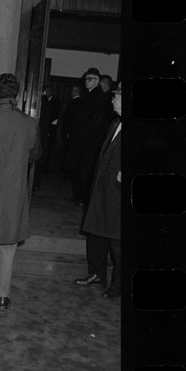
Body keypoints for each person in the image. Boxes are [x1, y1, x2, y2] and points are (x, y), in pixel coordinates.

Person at [0, 74, 42, 311]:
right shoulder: (29, 123)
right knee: (7, 249)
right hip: (14, 191)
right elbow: (35, 154)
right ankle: (2, 297)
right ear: (18, 96)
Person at [74, 82, 122, 297]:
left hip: (117, 194)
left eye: (116, 96)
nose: (112, 100)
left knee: (117, 243)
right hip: (102, 190)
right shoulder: (115, 124)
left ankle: (117, 286)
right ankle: (97, 274)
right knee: (96, 234)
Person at [62, 67, 110, 205]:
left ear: (97, 81)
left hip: (89, 141)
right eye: (86, 79)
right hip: (80, 139)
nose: (87, 81)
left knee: (85, 170)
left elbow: (96, 121)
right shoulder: (87, 95)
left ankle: (84, 198)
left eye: (90, 79)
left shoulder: (99, 97)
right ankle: (78, 195)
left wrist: (84, 133)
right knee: (78, 169)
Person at [33, 84, 60, 189]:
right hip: (41, 131)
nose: (46, 93)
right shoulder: (42, 101)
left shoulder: (54, 102)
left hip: (47, 130)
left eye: (48, 91)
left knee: (46, 151)